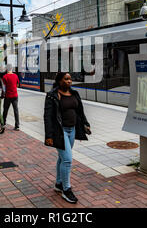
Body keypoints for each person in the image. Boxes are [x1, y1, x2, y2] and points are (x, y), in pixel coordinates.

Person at [44, 72, 91, 204]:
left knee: (62, 157)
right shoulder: (52, 96)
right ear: (59, 81)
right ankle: (66, 189)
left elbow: (80, 112)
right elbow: (47, 117)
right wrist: (49, 136)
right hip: (60, 132)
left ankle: (59, 183)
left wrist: (86, 124)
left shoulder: (74, 93)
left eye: (70, 79)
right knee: (68, 160)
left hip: (72, 130)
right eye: (66, 79)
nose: (69, 81)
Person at [2, 64, 20, 131]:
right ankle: (17, 125)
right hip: (15, 95)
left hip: (8, 96)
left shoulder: (5, 77)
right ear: (11, 68)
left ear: (6, 69)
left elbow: (4, 87)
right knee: (16, 110)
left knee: (5, 110)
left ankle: (3, 123)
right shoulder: (15, 75)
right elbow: (17, 84)